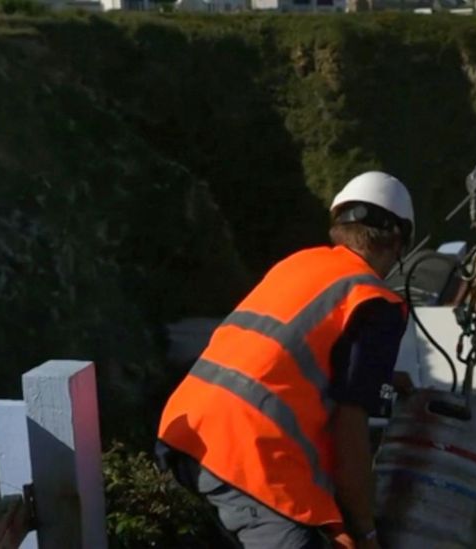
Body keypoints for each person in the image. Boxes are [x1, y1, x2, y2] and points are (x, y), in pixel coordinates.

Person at [156, 171, 415, 548]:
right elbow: (350, 432)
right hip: (247, 458)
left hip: (186, 432)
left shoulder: (297, 265)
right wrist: (365, 531)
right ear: (397, 240)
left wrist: (381, 375)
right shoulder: (376, 303)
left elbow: (287, 349)